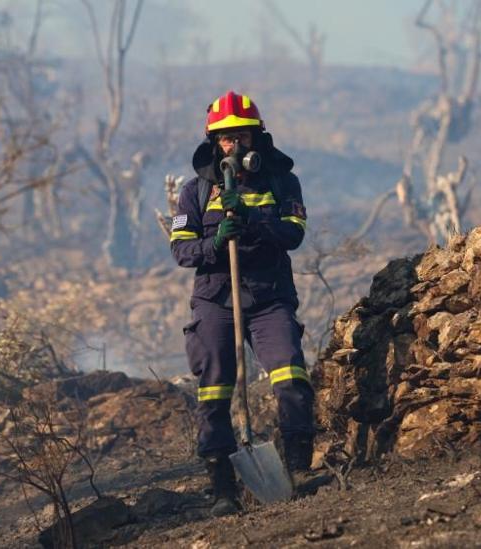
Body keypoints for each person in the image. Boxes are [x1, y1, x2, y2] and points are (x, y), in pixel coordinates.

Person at [169, 90, 314, 516]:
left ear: (258, 137)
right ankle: (222, 487)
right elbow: (181, 251)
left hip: (269, 297)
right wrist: (214, 243)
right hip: (216, 299)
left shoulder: (283, 182)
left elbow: (293, 235)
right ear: (214, 142)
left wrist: (251, 220)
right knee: (214, 386)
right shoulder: (195, 192)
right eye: (226, 139)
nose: (234, 146)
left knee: (290, 372)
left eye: (242, 137)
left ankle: (298, 469)